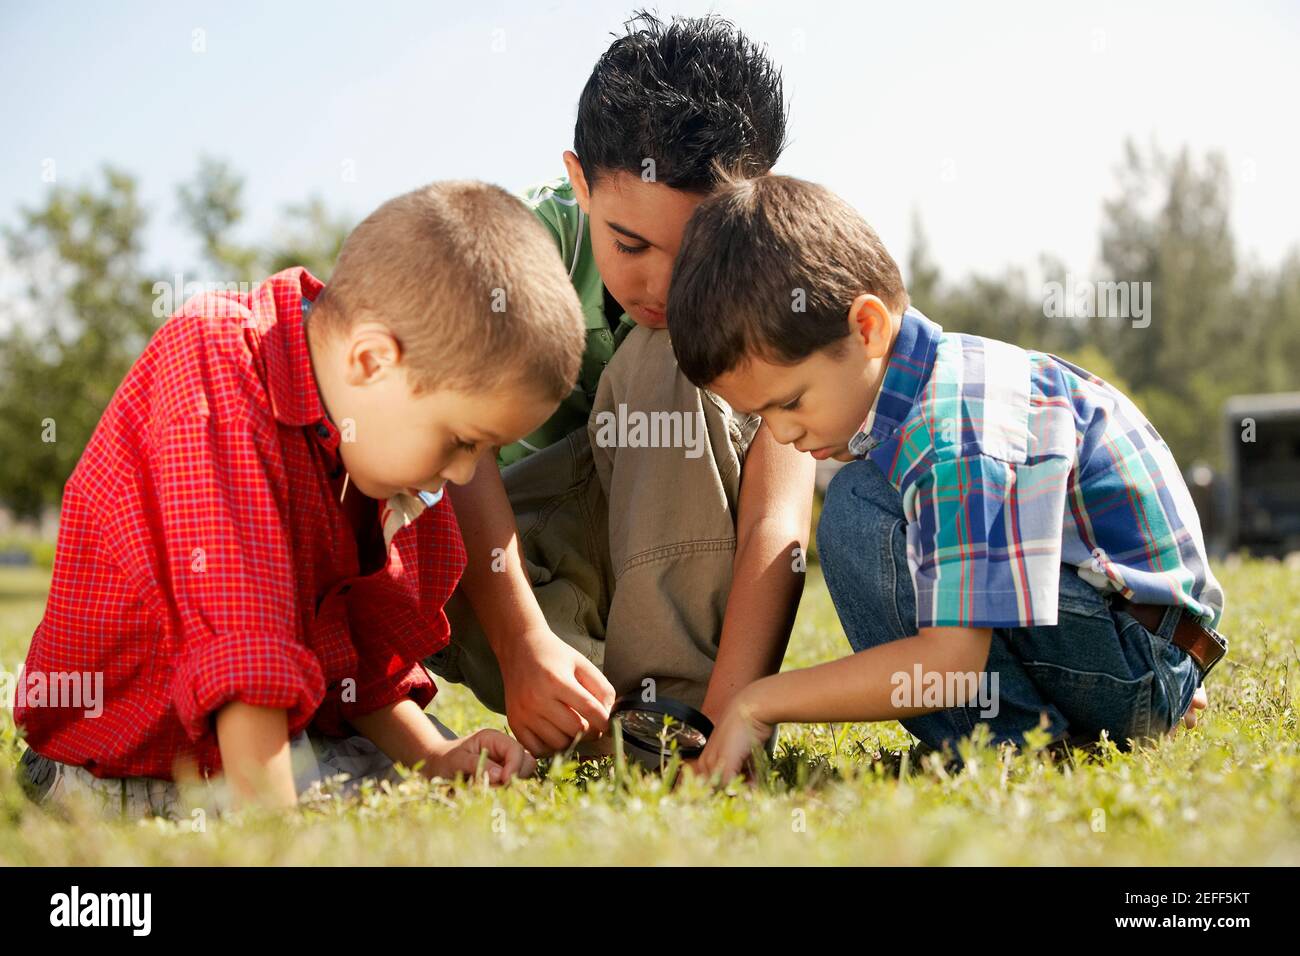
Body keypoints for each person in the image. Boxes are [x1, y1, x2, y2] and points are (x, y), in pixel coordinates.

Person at [15, 181, 587, 817]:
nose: (460, 475)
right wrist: (278, 833)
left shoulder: (370, 450)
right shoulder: (215, 366)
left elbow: (362, 658)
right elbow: (242, 639)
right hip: (121, 757)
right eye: (460, 442)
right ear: (372, 361)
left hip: (278, 739)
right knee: (372, 819)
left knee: (464, 803)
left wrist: (430, 754)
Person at [662, 174, 1226, 779]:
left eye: (790, 402)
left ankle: (1015, 746)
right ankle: (1058, 728)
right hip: (1144, 651)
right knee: (866, 499)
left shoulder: (955, 428)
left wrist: (759, 701)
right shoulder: (932, 389)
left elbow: (951, 663)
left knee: (857, 515)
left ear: (867, 327)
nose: (781, 435)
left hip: (1137, 657)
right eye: (760, 416)